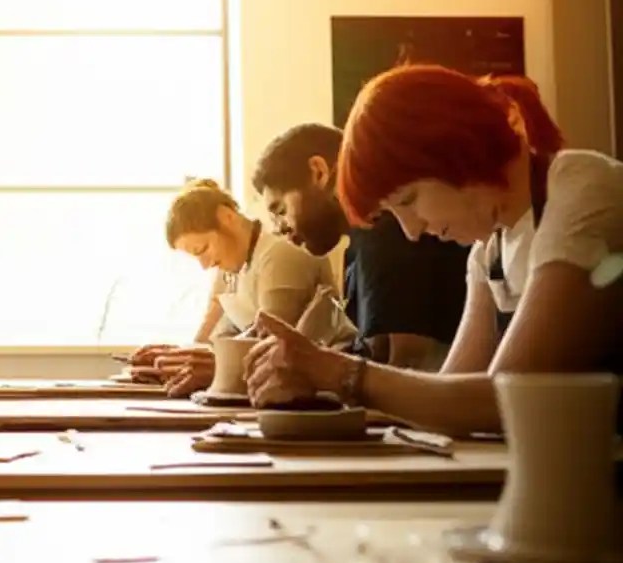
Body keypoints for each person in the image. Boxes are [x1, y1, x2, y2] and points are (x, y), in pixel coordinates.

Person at [244, 66, 623, 435]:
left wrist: (336, 372)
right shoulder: (488, 251)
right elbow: (448, 400)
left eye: (408, 200)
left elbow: (503, 401)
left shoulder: (582, 192)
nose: (411, 231)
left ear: (453, 150)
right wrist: (315, 387)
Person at [252, 123, 469, 369]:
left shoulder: (383, 229)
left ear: (319, 172)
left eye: (281, 210)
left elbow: (405, 365)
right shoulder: (362, 242)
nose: (280, 229)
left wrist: (312, 367)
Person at [132, 179, 348, 396]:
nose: (205, 265)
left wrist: (197, 361)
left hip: (330, 388)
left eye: (203, 249)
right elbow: (217, 343)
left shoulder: (280, 254)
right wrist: (174, 359)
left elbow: (271, 349)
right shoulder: (233, 269)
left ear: (227, 217)